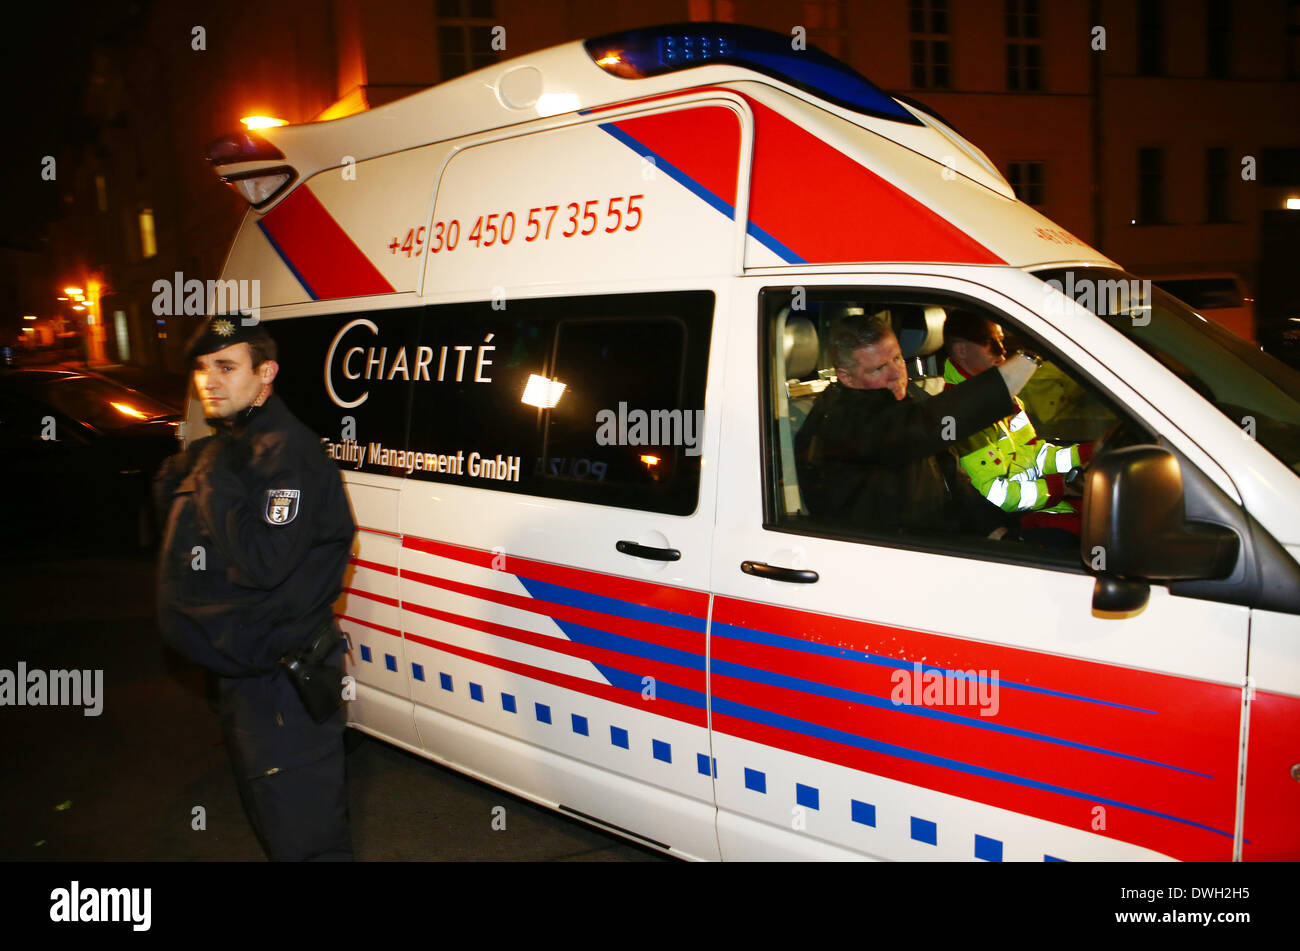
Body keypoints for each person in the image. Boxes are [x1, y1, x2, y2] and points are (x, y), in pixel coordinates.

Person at [153, 316, 356, 861]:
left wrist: (210, 477)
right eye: (203, 369)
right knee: (279, 823)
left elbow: (265, 561)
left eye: (226, 367)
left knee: (306, 838)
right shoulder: (236, 445)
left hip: (284, 682)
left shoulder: (285, 453)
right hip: (250, 675)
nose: (209, 382)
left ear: (266, 372)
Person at [795, 310, 1040, 533]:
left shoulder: (908, 397)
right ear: (846, 377)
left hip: (932, 540)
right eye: (878, 369)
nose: (896, 374)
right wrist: (1029, 358)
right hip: (884, 551)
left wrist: (995, 529)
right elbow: (919, 427)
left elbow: (953, 479)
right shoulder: (840, 423)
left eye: (897, 358)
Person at [941, 310, 1092, 536]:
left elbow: (1034, 454)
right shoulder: (960, 415)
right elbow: (995, 494)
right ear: (962, 350)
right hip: (1015, 525)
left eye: (1002, 341)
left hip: (1041, 508)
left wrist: (1088, 454)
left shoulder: (1003, 398)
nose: (1002, 351)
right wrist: (1057, 488)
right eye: (991, 343)